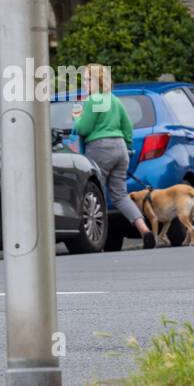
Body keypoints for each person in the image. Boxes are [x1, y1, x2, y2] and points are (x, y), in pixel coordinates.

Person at [74, 63, 156, 249]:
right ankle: (144, 230)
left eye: (87, 80)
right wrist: (127, 147)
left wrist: (76, 117)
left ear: (97, 81)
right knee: (120, 195)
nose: (84, 84)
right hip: (120, 149)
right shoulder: (114, 100)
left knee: (95, 193)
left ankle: (95, 236)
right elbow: (127, 127)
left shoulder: (94, 101)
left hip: (99, 149)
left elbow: (83, 128)